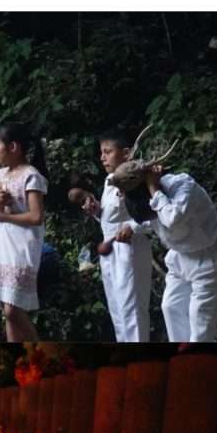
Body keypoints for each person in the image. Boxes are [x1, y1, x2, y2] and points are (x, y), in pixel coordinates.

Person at [121, 165, 217, 342]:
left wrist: (153, 188)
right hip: (179, 256)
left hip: (207, 256)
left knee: (199, 317)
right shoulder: (153, 202)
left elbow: (172, 218)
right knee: (171, 307)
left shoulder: (182, 186)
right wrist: (131, 227)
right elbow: (154, 220)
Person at [0, 121, 48, 342]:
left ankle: (40, 351)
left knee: (12, 310)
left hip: (21, 247)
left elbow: (36, 216)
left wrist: (3, 216)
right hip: (2, 247)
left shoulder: (31, 175)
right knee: (8, 311)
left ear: (13, 147)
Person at [79, 130, 153, 342]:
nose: (102, 157)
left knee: (132, 311)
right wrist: (97, 212)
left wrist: (132, 227)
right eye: (101, 152)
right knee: (118, 312)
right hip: (109, 252)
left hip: (130, 250)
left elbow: (155, 218)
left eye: (108, 152)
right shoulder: (110, 180)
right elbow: (110, 220)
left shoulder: (139, 181)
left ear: (127, 153)